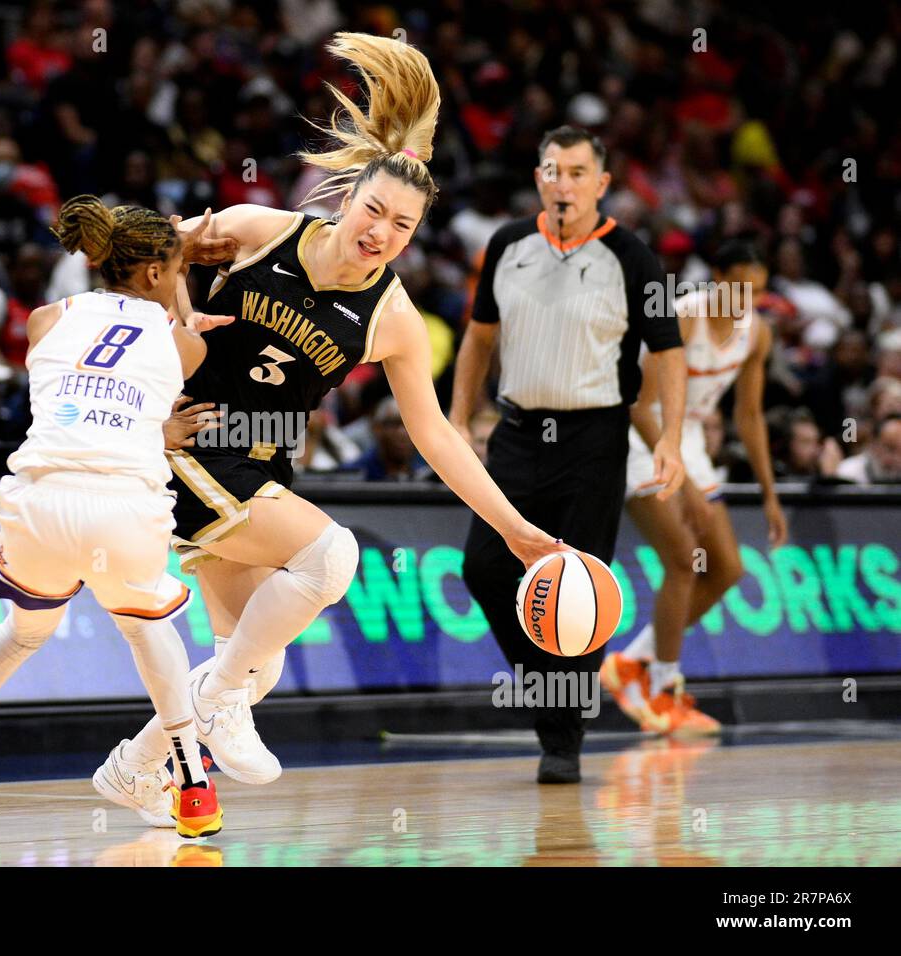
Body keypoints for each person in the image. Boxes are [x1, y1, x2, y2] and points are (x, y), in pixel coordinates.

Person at [94, 33, 565, 827]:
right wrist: (172, 317)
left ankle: (137, 768)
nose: (381, 231)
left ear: (414, 237)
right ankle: (211, 703)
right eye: (373, 209)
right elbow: (139, 252)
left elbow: (439, 438)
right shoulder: (257, 230)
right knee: (331, 555)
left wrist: (517, 530)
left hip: (259, 473)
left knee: (259, 660)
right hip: (186, 451)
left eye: (402, 225)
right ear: (347, 198)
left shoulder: (395, 320)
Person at [0, 194, 234, 839]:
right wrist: (180, 316)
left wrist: (151, 425)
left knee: (21, 633)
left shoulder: (43, 319)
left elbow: (90, 395)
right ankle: (194, 789)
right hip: (121, 506)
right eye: (178, 270)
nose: (184, 282)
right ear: (153, 275)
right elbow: (156, 367)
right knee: (148, 632)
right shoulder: (184, 343)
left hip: (38, 503)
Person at [448, 125, 687, 783]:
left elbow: (669, 351)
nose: (564, 183)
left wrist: (669, 438)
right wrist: (457, 415)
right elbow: (478, 337)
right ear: (538, 178)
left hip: (594, 441)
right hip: (517, 435)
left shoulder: (635, 258)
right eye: (553, 170)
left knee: (580, 586)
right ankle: (547, 689)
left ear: (602, 184)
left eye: (578, 172)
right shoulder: (506, 245)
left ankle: (563, 739)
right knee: (486, 568)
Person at [603, 240, 788, 735]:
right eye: (742, 287)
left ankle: (631, 663)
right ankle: (663, 691)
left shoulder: (758, 334)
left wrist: (770, 494)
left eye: (759, 290)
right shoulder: (683, 317)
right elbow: (638, 405)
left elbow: (748, 417)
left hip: (689, 439)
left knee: (726, 568)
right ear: (719, 278)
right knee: (684, 560)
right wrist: (678, 480)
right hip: (644, 438)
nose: (749, 298)